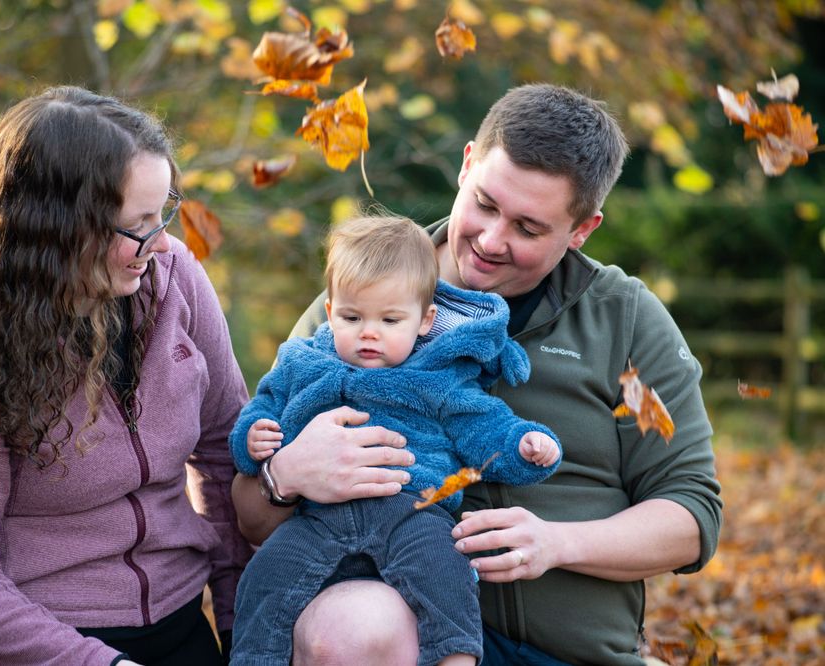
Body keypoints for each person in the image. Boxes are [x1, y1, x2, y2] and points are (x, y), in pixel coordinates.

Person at [231, 83, 723, 665]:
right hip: (396, 635)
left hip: (566, 651)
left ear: (582, 230)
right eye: (486, 204)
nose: (491, 241)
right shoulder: (361, 304)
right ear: (467, 165)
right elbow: (249, 513)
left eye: (528, 228)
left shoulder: (625, 320)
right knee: (347, 627)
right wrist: (284, 476)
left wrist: (558, 543)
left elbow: (692, 513)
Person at [0, 86, 252, 666]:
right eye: (137, 225)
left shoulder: (176, 278)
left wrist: (240, 629)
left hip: (167, 612)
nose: (158, 244)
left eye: (164, 214)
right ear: (57, 230)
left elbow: (225, 453)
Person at [229, 215, 561, 665]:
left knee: (446, 572)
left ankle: (456, 658)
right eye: (352, 317)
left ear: (424, 321)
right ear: (329, 312)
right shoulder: (301, 363)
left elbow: (484, 427)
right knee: (265, 579)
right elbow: (263, 407)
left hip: (411, 513)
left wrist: (526, 444)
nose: (369, 332)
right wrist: (254, 437)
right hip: (320, 518)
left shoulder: (437, 377)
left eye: (389, 319)